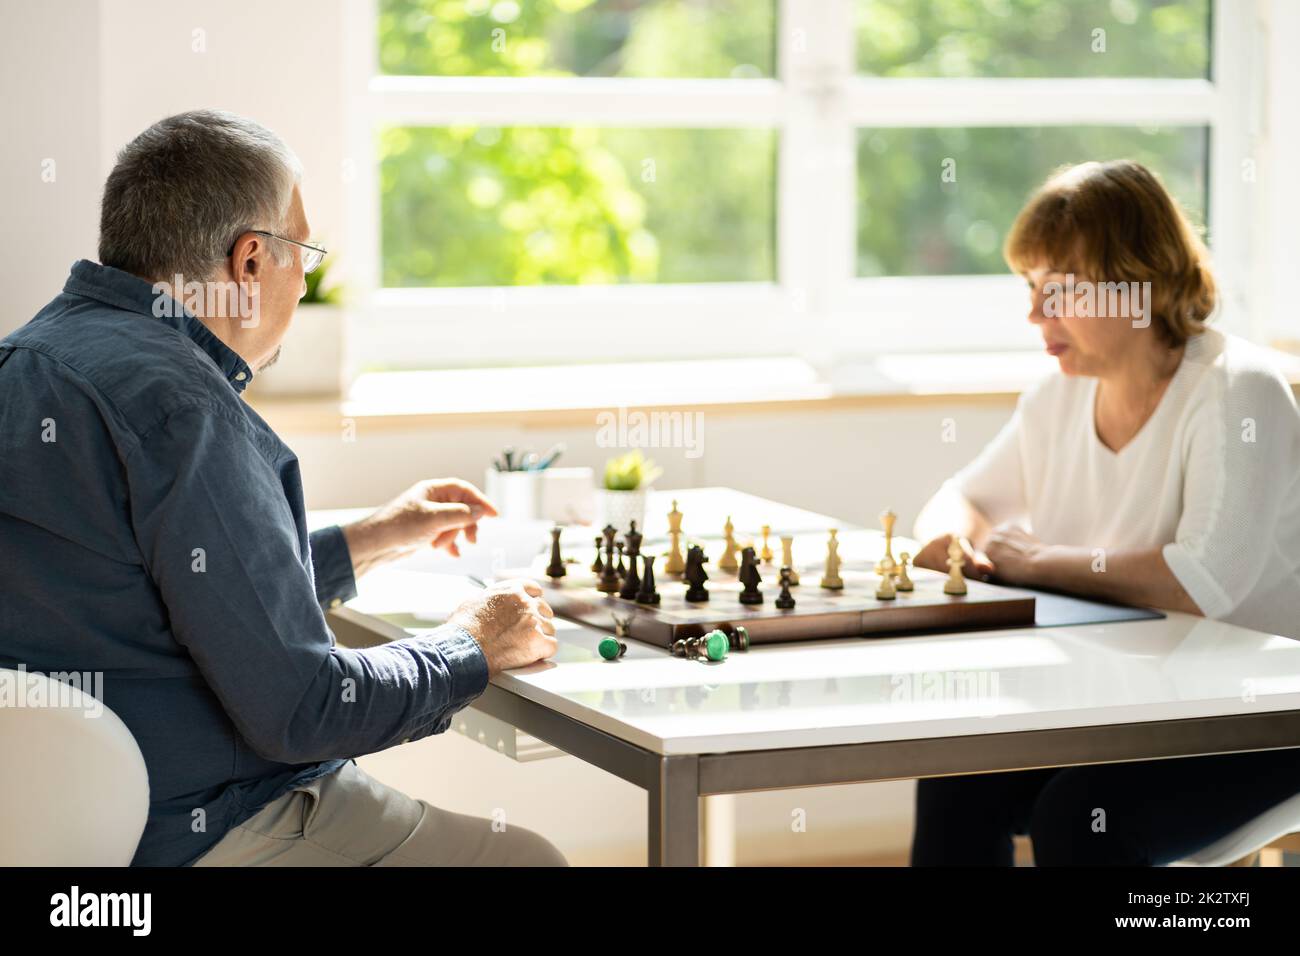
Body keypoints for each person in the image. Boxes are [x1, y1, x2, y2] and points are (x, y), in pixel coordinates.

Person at [0, 110, 565, 867]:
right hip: (201, 827)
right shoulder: (186, 408)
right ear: (252, 262)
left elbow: (165, 585)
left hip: (52, 831)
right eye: (304, 253)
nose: (305, 282)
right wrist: (472, 642)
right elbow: (307, 708)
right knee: (527, 860)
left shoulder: (26, 360)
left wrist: (368, 541)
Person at [907, 160, 1300, 866]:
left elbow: (1202, 582)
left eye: (1057, 291)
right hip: (1139, 706)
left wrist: (1038, 563)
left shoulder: (1239, 390)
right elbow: (964, 495)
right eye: (1030, 289)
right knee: (955, 772)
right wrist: (950, 539)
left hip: (1261, 717)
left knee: (1079, 818)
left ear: (1136, 286)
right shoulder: (1056, 398)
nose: (1034, 315)